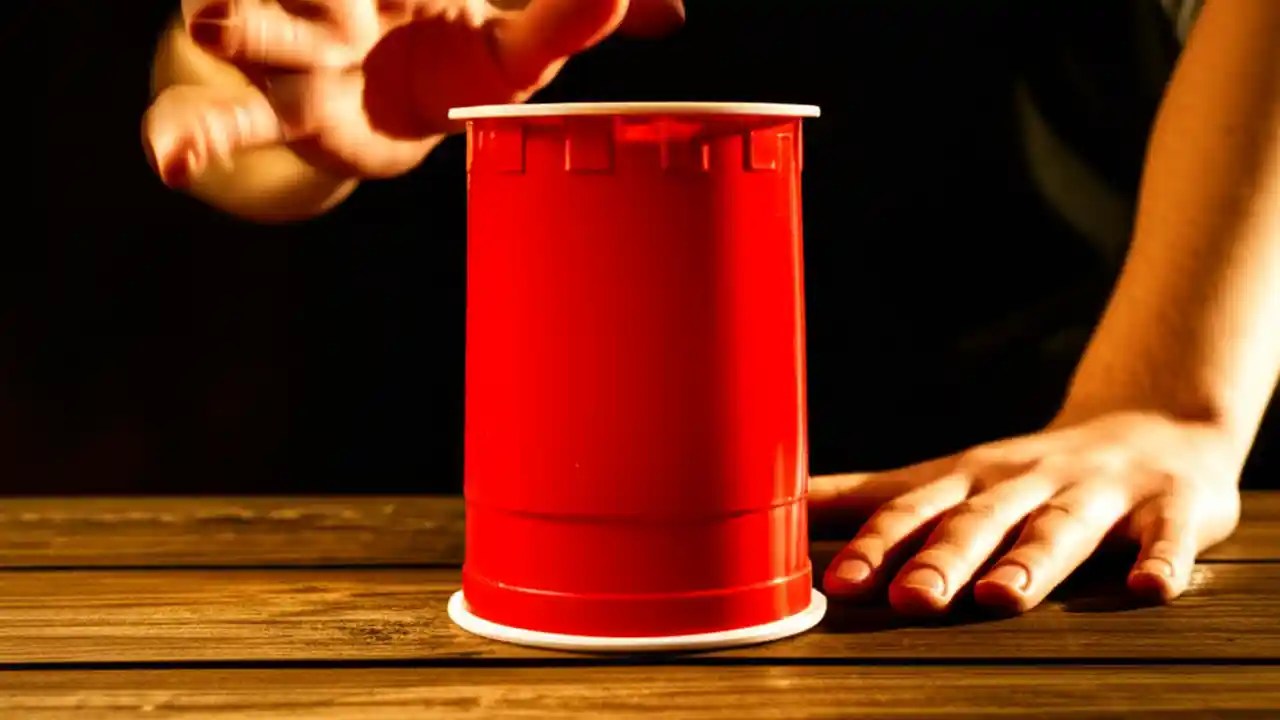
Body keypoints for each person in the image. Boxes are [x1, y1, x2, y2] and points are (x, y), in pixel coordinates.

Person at [141, 0, 1280, 615]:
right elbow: (235, 101)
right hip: (449, 537)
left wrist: (1169, 394)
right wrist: (284, 84)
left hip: (1029, 500)